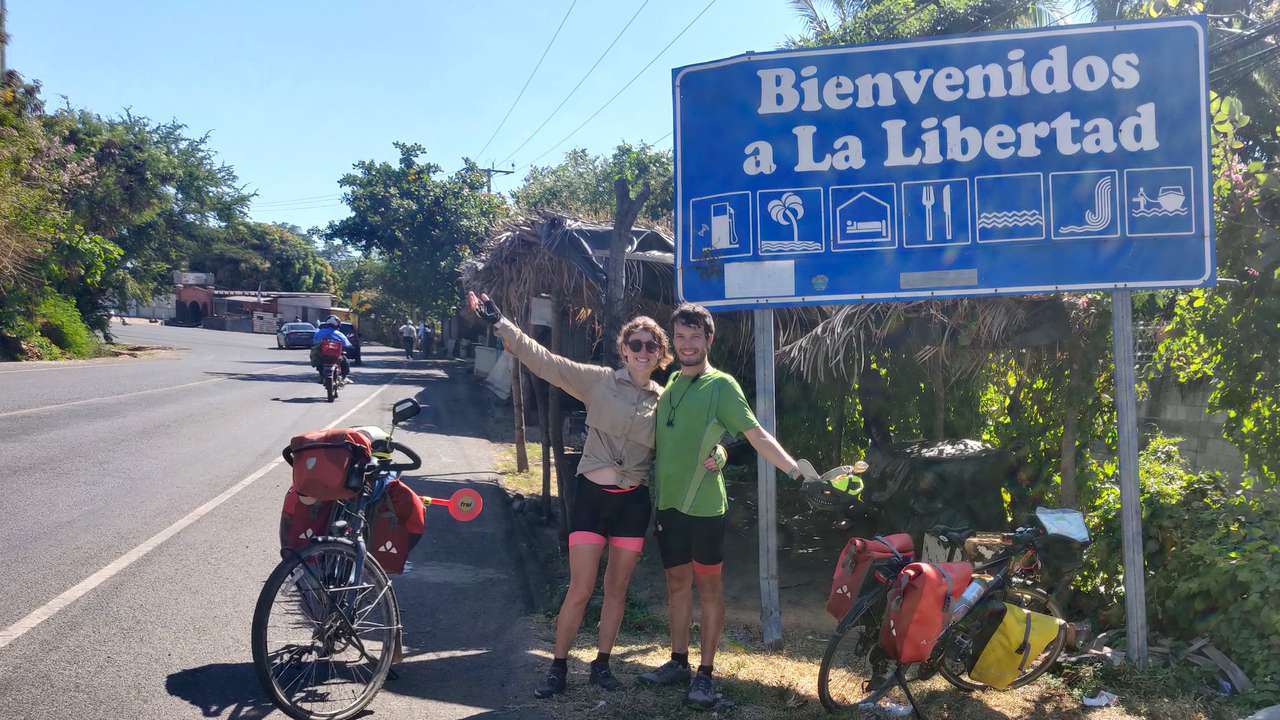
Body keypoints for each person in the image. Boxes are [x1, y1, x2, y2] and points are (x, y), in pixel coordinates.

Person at [467, 290, 725, 700]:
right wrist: (500, 323)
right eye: (635, 344)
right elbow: (544, 361)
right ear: (624, 349)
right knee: (581, 588)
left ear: (662, 354)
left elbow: (696, 437)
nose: (643, 351)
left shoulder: (666, 400)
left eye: (651, 346)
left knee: (616, 589)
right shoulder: (599, 381)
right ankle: (558, 667)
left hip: (632, 503)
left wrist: (720, 453)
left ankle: (601, 664)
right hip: (591, 498)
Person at [638, 302, 818, 709]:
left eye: (694, 337)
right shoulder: (671, 385)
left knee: (709, 589)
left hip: (704, 510)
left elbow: (756, 435)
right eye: (680, 337)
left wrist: (796, 472)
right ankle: (678, 661)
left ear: (709, 339)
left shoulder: (722, 385)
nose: (687, 344)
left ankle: (705, 674)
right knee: (676, 585)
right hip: (668, 506)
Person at [310, 316, 351, 382]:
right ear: (337, 325)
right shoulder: (339, 334)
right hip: (335, 356)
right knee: (345, 361)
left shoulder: (319, 332)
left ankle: (321, 376)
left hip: (323, 356)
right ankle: (344, 377)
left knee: (317, 359)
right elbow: (347, 344)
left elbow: (315, 342)